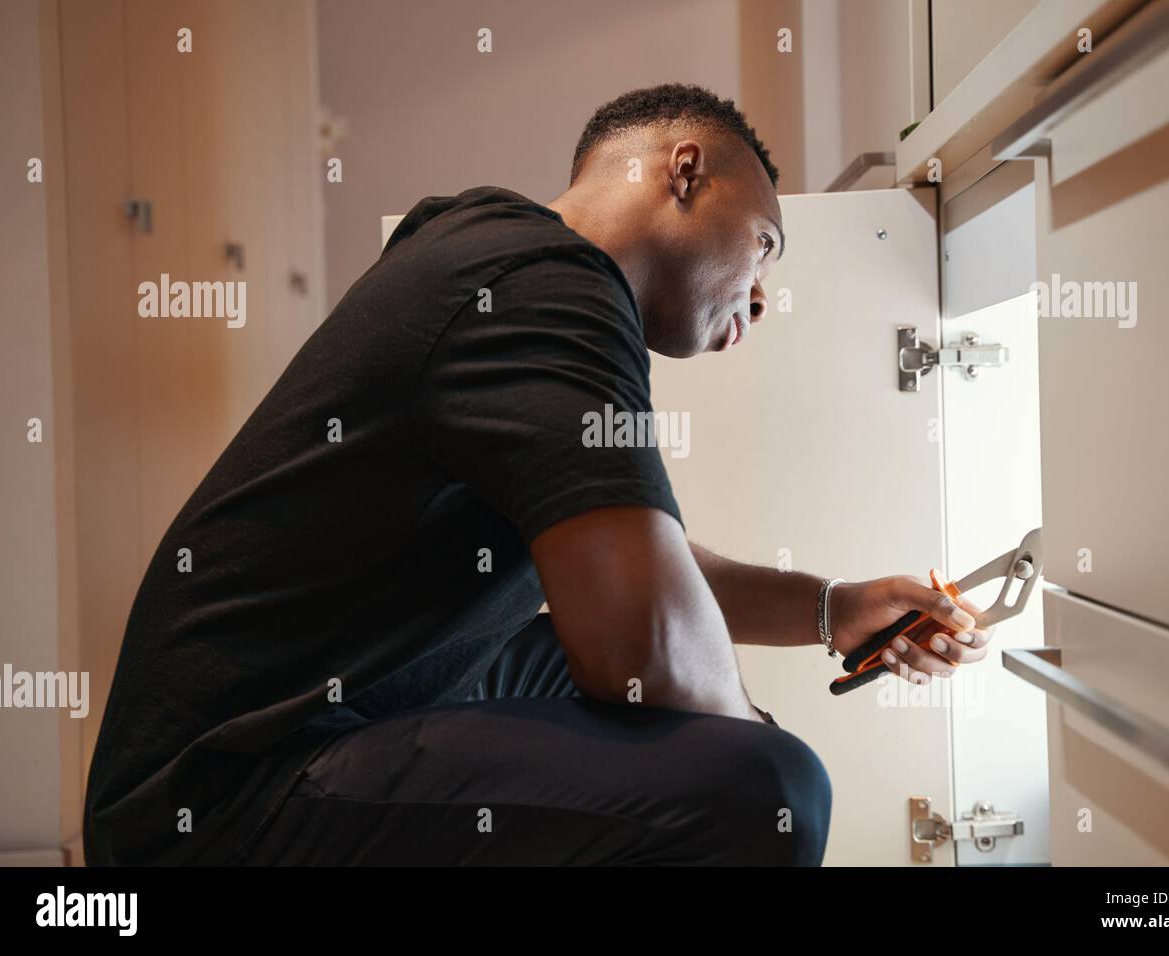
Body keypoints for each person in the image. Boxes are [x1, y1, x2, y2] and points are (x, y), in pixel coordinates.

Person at [84, 83, 992, 867]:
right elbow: (641, 643)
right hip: (219, 807)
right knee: (770, 788)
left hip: (263, 742)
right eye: (764, 245)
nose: (761, 294)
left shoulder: (498, 261)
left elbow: (644, 568)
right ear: (685, 172)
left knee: (576, 654)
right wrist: (745, 730)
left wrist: (835, 608)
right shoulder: (545, 285)